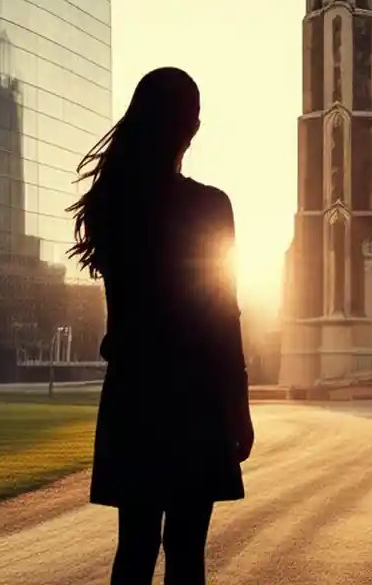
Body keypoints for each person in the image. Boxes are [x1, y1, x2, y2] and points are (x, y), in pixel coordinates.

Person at [68, 67, 254, 585]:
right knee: (187, 550)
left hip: (134, 394)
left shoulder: (114, 205)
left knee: (135, 546)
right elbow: (223, 313)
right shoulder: (210, 206)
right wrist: (237, 407)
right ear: (190, 128)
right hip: (193, 397)